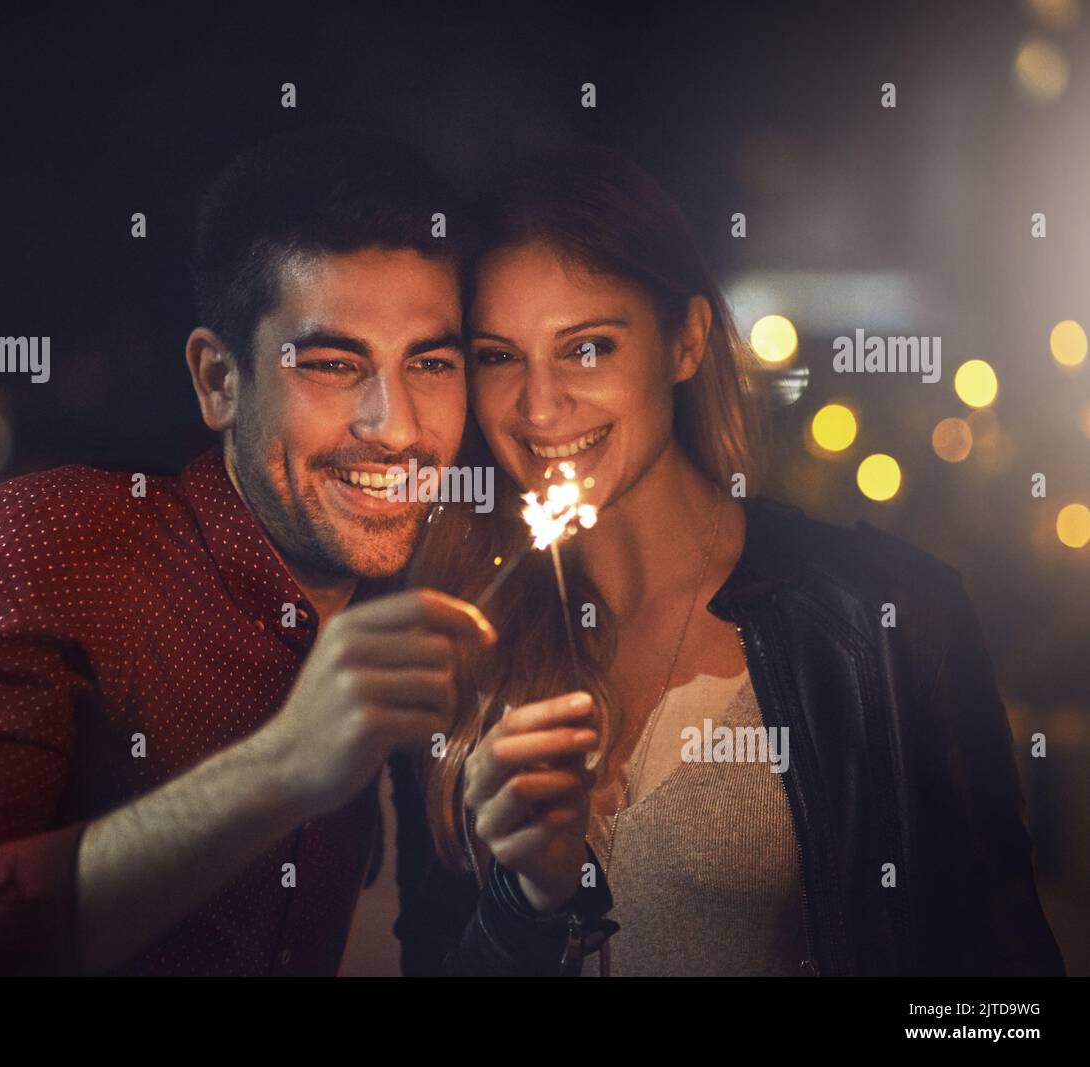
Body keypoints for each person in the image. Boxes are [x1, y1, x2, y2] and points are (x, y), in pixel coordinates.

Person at [0, 127, 498, 976]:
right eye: (334, 364)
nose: (398, 428)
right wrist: (279, 768)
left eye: (431, 363)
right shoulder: (52, 544)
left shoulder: (423, 611)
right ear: (220, 380)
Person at [391, 146, 1066, 977]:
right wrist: (525, 904)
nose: (539, 405)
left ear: (686, 342)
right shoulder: (460, 645)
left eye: (587, 347)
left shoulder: (887, 623)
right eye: (499, 355)